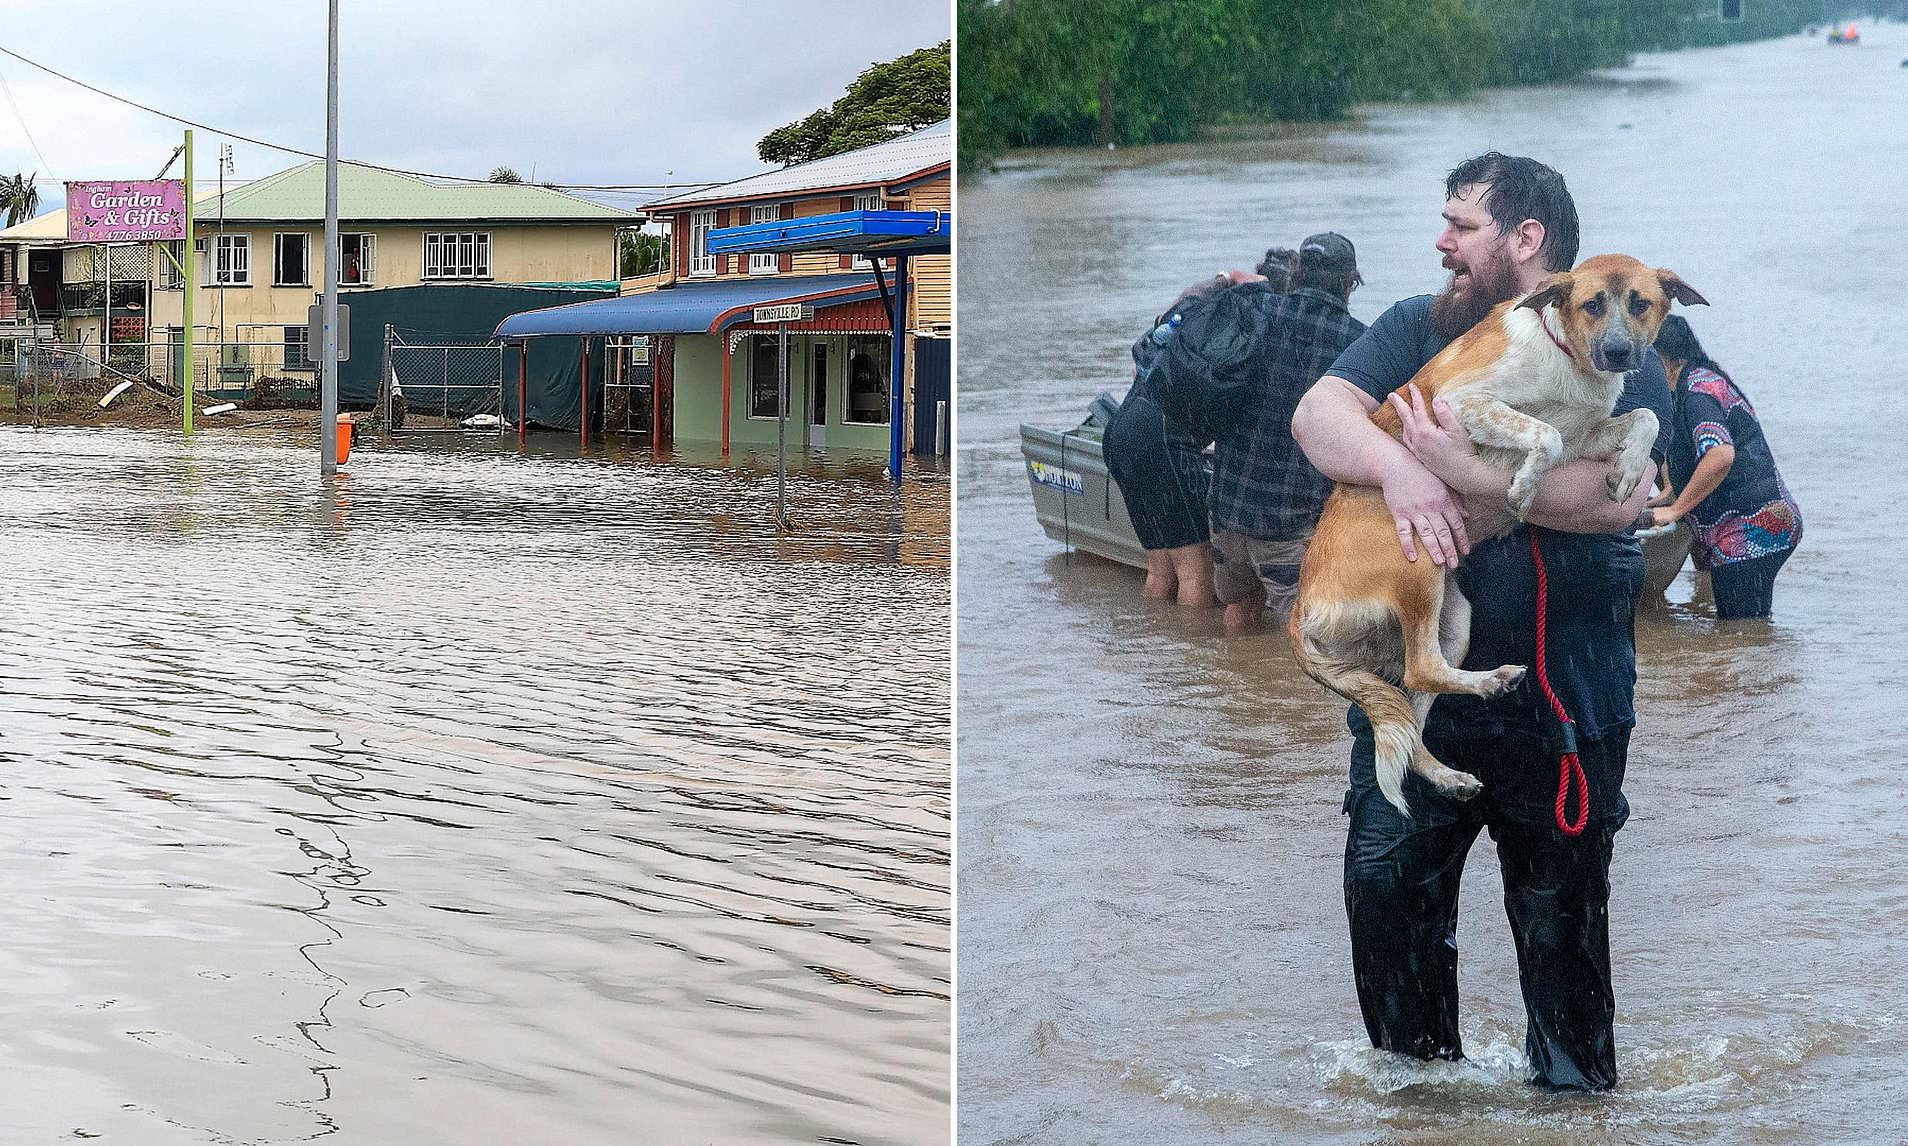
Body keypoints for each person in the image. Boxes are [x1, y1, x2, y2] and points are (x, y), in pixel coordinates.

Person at [1289, 152, 1675, 1091]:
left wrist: (1460, 474)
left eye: (1461, 226)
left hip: (1567, 703)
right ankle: (1422, 1109)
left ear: (1525, 239)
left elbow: (1608, 500)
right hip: (1426, 695)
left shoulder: (1627, 351)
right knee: (1387, 918)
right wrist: (1400, 469)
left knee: (1566, 956)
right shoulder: (1422, 326)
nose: (1442, 242)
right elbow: (1317, 416)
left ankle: (1575, 1111)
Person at [1203, 233, 1367, 630]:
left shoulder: (1254, 311)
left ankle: (1228, 685)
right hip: (1290, 529)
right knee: (1302, 640)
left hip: (1228, 513)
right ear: (1350, 283)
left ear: (1298, 273)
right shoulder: (1360, 343)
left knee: (1239, 611)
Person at [1648, 315, 1802, 620]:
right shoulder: (1693, 380)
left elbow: (1720, 455)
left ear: (1664, 359)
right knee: (1746, 633)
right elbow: (1682, 447)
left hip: (1750, 531)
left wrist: (1677, 510)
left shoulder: (1697, 394)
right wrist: (1668, 492)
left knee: (1741, 630)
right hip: (1761, 522)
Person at [1102, 275, 1241, 606]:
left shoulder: (1177, 326)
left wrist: (1225, 276)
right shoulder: (1227, 334)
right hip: (1161, 444)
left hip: (1120, 432)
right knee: (1196, 570)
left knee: (1161, 569)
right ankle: (1190, 650)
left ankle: (1160, 645)